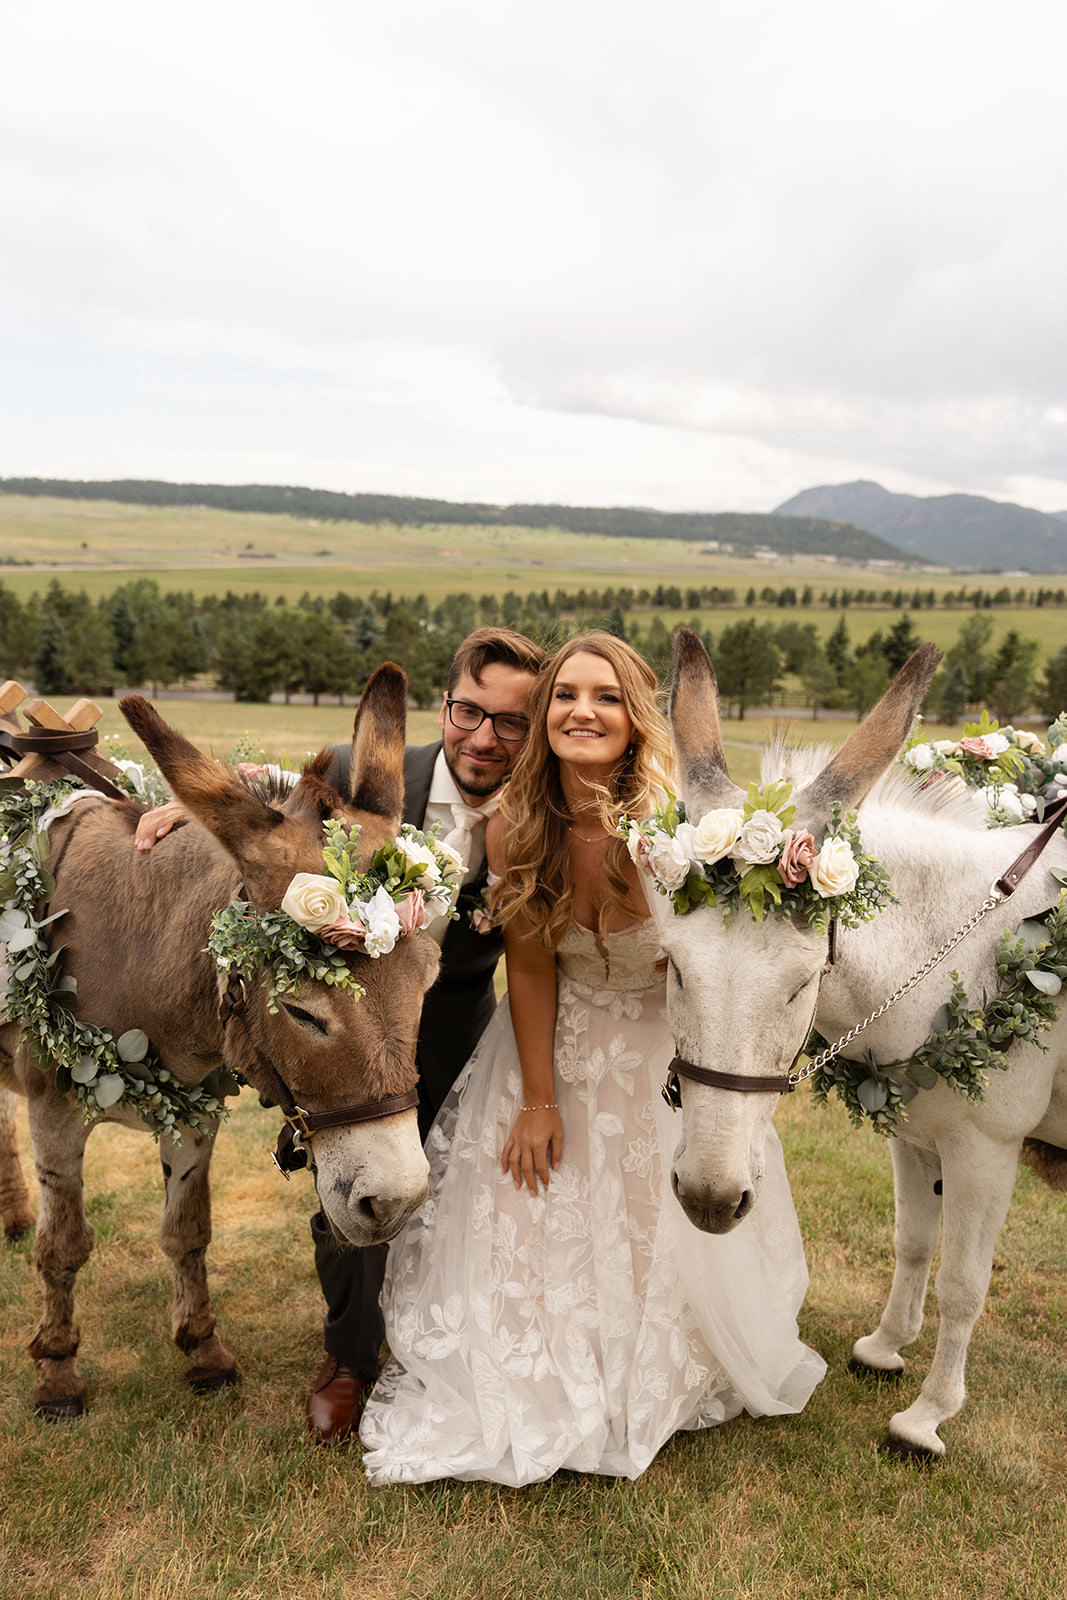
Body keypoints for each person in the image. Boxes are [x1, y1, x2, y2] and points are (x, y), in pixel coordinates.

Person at [358, 632, 826, 1486]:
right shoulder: (514, 823)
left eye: (605, 696)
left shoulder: (687, 826)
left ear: (635, 715)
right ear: (545, 718)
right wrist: (538, 1100)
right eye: (566, 694)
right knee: (535, 1199)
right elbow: (531, 966)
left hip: (664, 1056)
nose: (582, 710)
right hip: (555, 1042)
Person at [134, 625, 547, 1443]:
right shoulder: (367, 776)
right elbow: (272, 807)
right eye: (471, 711)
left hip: (459, 1019)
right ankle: (349, 1357)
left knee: (460, 1186)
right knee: (354, 1184)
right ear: (446, 704)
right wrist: (187, 805)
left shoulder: (544, 813)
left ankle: (449, 1333)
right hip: (354, 1023)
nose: (485, 738)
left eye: (512, 724)